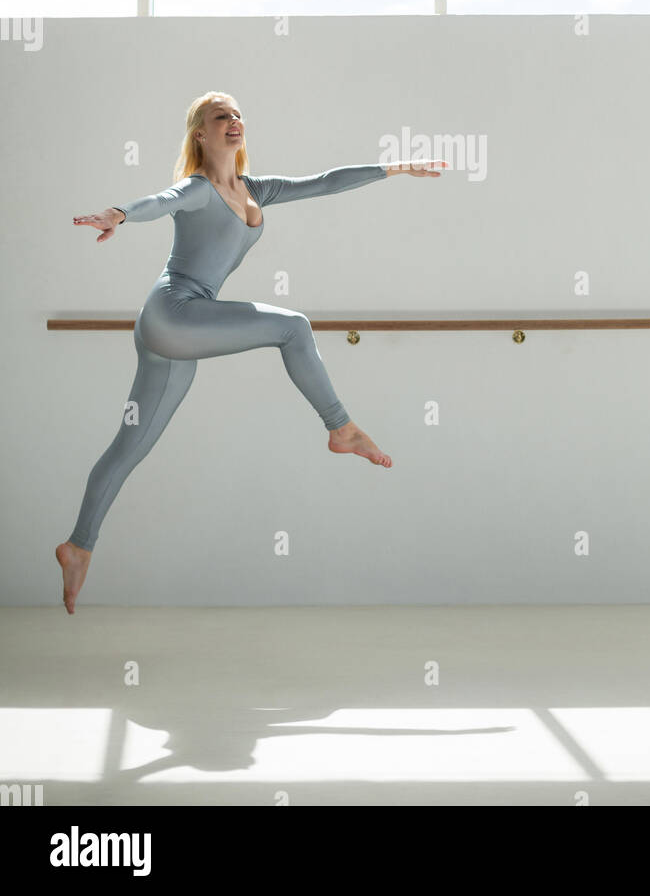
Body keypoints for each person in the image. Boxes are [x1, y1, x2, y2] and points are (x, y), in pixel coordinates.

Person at [56, 90, 447, 613]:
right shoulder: (198, 188)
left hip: (177, 334)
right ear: (201, 133)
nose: (234, 122)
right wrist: (119, 213)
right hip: (175, 313)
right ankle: (341, 428)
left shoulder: (254, 189)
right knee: (293, 327)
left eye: (238, 115)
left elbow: (325, 182)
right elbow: (162, 201)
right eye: (221, 117)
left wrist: (395, 169)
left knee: (129, 449)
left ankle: (78, 546)